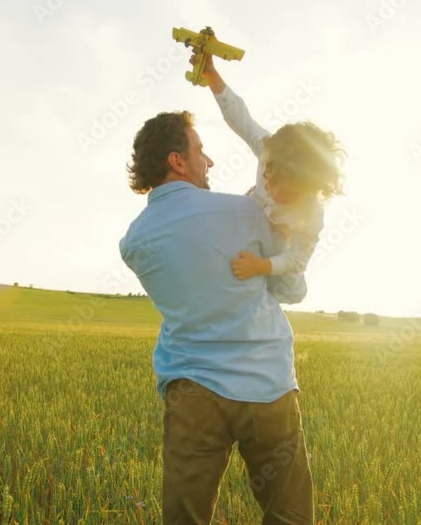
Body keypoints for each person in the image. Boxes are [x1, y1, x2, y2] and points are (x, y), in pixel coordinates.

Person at [119, 109, 315, 523]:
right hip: (267, 386)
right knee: (289, 513)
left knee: (185, 517)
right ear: (177, 160)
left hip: (193, 393)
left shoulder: (133, 240)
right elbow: (292, 289)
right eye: (200, 150)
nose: (209, 161)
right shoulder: (245, 213)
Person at [192, 48, 346, 282]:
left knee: (295, 290)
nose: (278, 196)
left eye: (291, 195)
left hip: (277, 246)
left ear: (310, 190)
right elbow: (238, 116)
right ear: (270, 166)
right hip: (250, 216)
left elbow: (297, 260)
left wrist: (261, 266)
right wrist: (211, 75)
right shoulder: (267, 148)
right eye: (272, 182)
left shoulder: (312, 214)